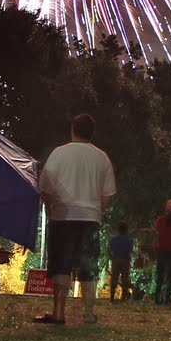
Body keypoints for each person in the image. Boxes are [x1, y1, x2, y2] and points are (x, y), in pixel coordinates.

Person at [35, 113, 117, 326]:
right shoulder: (102, 158)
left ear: (72, 129)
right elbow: (108, 196)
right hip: (90, 218)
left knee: (61, 266)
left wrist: (52, 205)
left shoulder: (59, 154)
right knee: (88, 266)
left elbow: (45, 186)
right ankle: (89, 314)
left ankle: (58, 312)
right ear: (92, 133)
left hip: (63, 216)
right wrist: (97, 209)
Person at [106, 221, 135, 303]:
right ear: (126, 229)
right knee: (125, 279)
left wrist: (112, 258)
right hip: (125, 260)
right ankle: (123, 298)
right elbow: (130, 251)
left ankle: (111, 298)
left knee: (114, 279)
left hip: (116, 260)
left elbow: (109, 250)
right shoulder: (129, 240)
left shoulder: (113, 239)